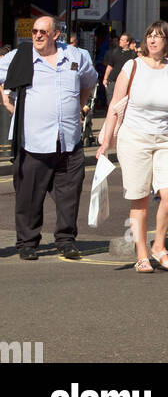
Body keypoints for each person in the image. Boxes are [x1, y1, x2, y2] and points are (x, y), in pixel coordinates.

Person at [97, 20, 168, 272]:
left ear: (167, 42)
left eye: (159, 36)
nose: (153, 40)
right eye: (149, 36)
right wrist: (106, 142)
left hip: (165, 139)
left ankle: (158, 246)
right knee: (139, 200)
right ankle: (142, 254)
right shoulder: (132, 67)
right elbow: (114, 107)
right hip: (134, 138)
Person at [0, 16, 98, 260]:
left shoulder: (77, 56)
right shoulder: (19, 57)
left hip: (68, 138)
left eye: (43, 32)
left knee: (69, 195)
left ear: (56, 35)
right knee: (29, 196)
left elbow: (89, 81)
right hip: (33, 140)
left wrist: (79, 106)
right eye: (34, 31)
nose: (37, 36)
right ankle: (27, 243)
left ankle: (66, 240)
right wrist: (5, 98)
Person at [102, 32, 136, 107]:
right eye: (120, 39)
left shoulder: (132, 54)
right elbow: (110, 66)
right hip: (112, 81)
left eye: (122, 40)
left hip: (124, 82)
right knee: (110, 102)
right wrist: (105, 78)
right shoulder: (115, 52)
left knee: (121, 103)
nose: (120, 41)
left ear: (127, 42)